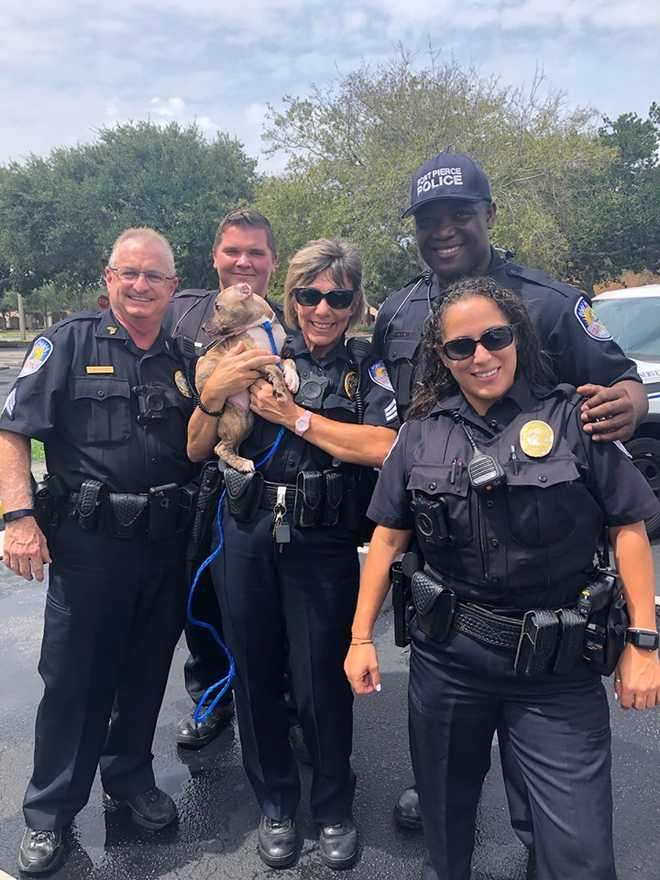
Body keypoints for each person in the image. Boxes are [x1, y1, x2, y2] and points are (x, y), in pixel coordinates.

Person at [372, 151, 650, 844]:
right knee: (445, 751)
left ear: (489, 216)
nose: (443, 231)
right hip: (448, 570)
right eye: (428, 219)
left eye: (459, 215)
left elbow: (624, 384)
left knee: (554, 816)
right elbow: (389, 407)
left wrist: (626, 403)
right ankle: (438, 785)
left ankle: (538, 827)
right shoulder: (400, 310)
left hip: (541, 559)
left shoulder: (551, 304)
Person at [187, 238, 398, 870]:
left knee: (319, 685)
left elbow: (386, 444)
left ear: (355, 302)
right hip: (247, 530)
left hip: (322, 539)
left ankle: (333, 806)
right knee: (254, 676)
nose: (323, 309)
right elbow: (197, 448)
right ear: (292, 299)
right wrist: (211, 395)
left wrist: (296, 417)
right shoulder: (252, 352)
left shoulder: (366, 366)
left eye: (337, 296)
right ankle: (275, 804)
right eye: (309, 295)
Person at [0, 228, 196, 875]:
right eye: (128, 273)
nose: (140, 286)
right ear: (108, 278)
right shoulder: (67, 341)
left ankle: (130, 777)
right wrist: (18, 517)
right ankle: (50, 813)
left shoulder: (185, 353)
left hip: (166, 544)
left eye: (154, 277)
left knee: (145, 673)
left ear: (173, 286)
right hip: (89, 544)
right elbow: (12, 429)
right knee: (75, 682)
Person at [166, 208, 288, 749]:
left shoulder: (292, 322)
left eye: (256, 253)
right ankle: (212, 700)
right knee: (207, 607)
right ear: (214, 256)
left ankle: (287, 705)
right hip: (204, 485)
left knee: (278, 607)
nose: (244, 262)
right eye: (233, 251)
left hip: (273, 487)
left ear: (272, 262)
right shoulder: (184, 320)